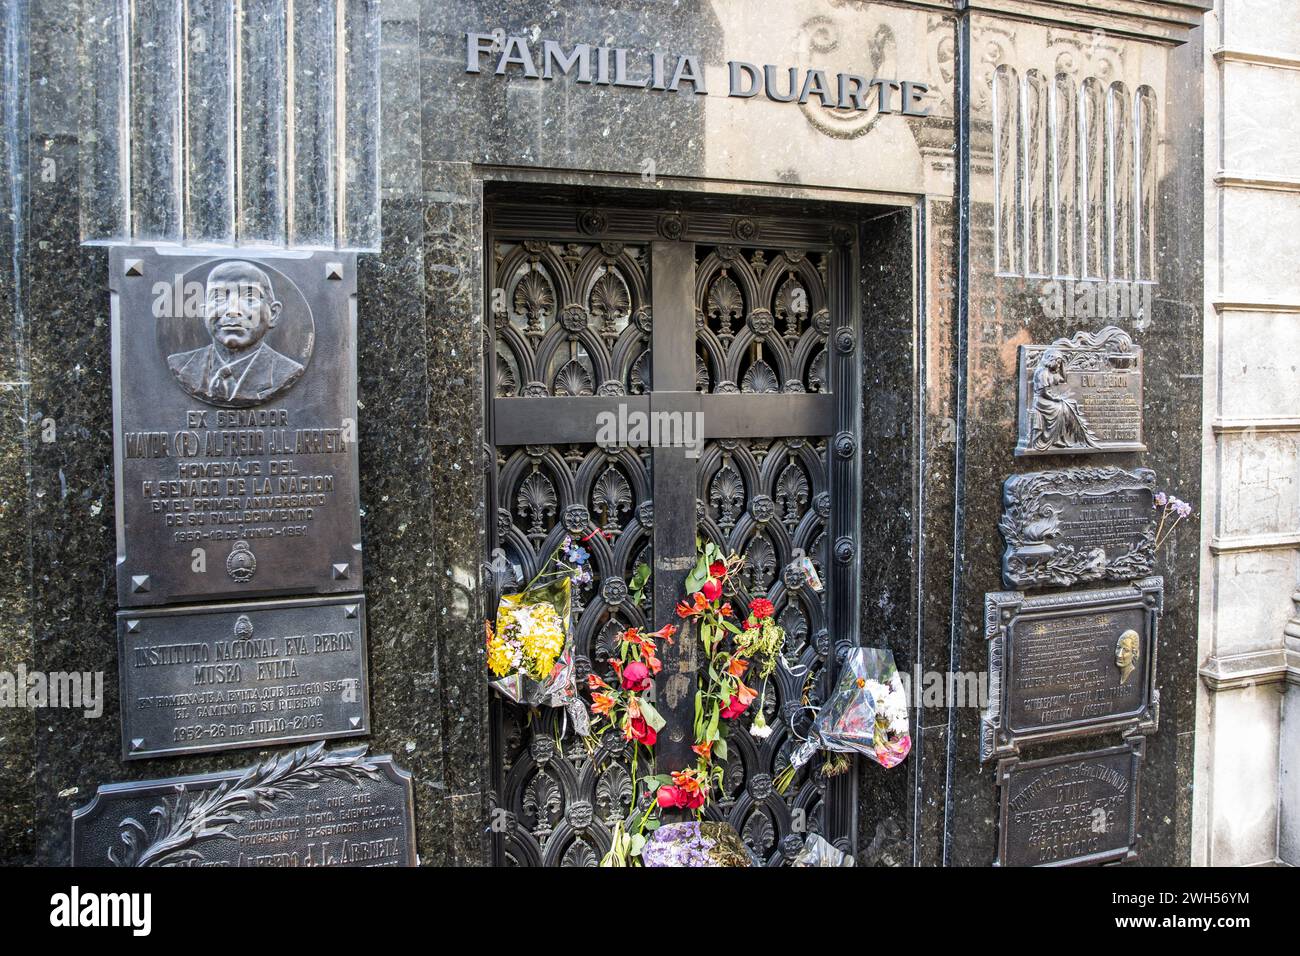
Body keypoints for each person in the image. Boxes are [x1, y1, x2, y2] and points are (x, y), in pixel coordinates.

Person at [167, 260, 304, 406]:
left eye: (249, 298)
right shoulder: (181, 366)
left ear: (273, 314)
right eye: (218, 297)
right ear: (204, 311)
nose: (233, 310)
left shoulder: (287, 372)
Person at [1028, 347, 1098, 451]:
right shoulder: (1042, 373)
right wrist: (1056, 398)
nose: (1059, 365)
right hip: (1041, 401)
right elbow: (1044, 393)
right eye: (1058, 363)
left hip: (1047, 399)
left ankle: (1058, 438)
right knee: (1060, 408)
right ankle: (1052, 439)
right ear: (1051, 360)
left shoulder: (1051, 372)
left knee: (1066, 406)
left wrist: (1061, 367)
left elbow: (1063, 379)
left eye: (1060, 363)